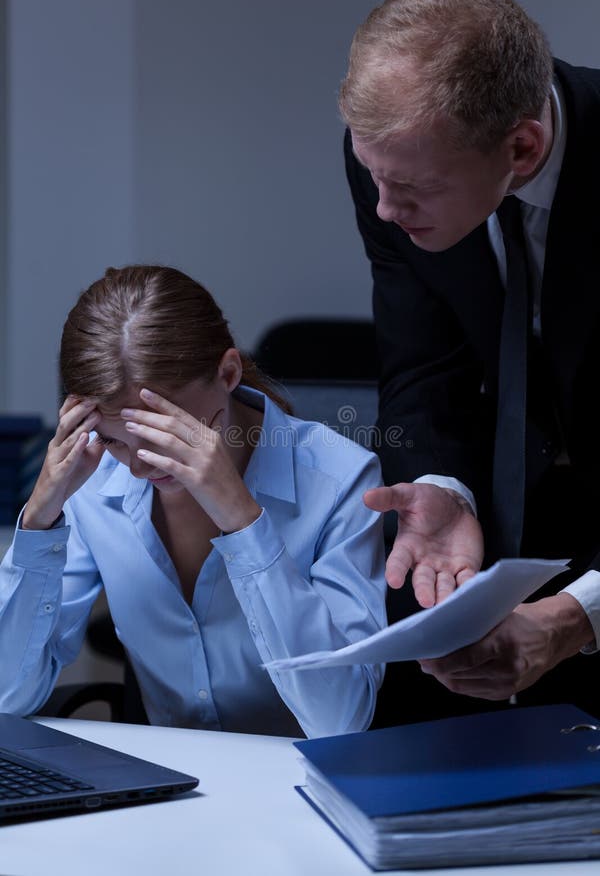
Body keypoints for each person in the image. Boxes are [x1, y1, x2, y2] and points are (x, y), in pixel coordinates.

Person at [339, 0, 600, 721]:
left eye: (411, 189)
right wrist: (444, 485)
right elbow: (423, 360)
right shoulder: (392, 158)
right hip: (514, 530)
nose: (386, 210)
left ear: (523, 146)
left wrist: (577, 615)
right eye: (373, 177)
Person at [0, 265, 387, 738]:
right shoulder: (95, 478)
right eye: (118, 441)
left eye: (166, 436)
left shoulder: (341, 478)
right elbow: (8, 698)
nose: (140, 468)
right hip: (165, 789)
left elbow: (340, 720)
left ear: (228, 372)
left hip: (302, 788)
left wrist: (243, 522)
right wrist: (40, 520)